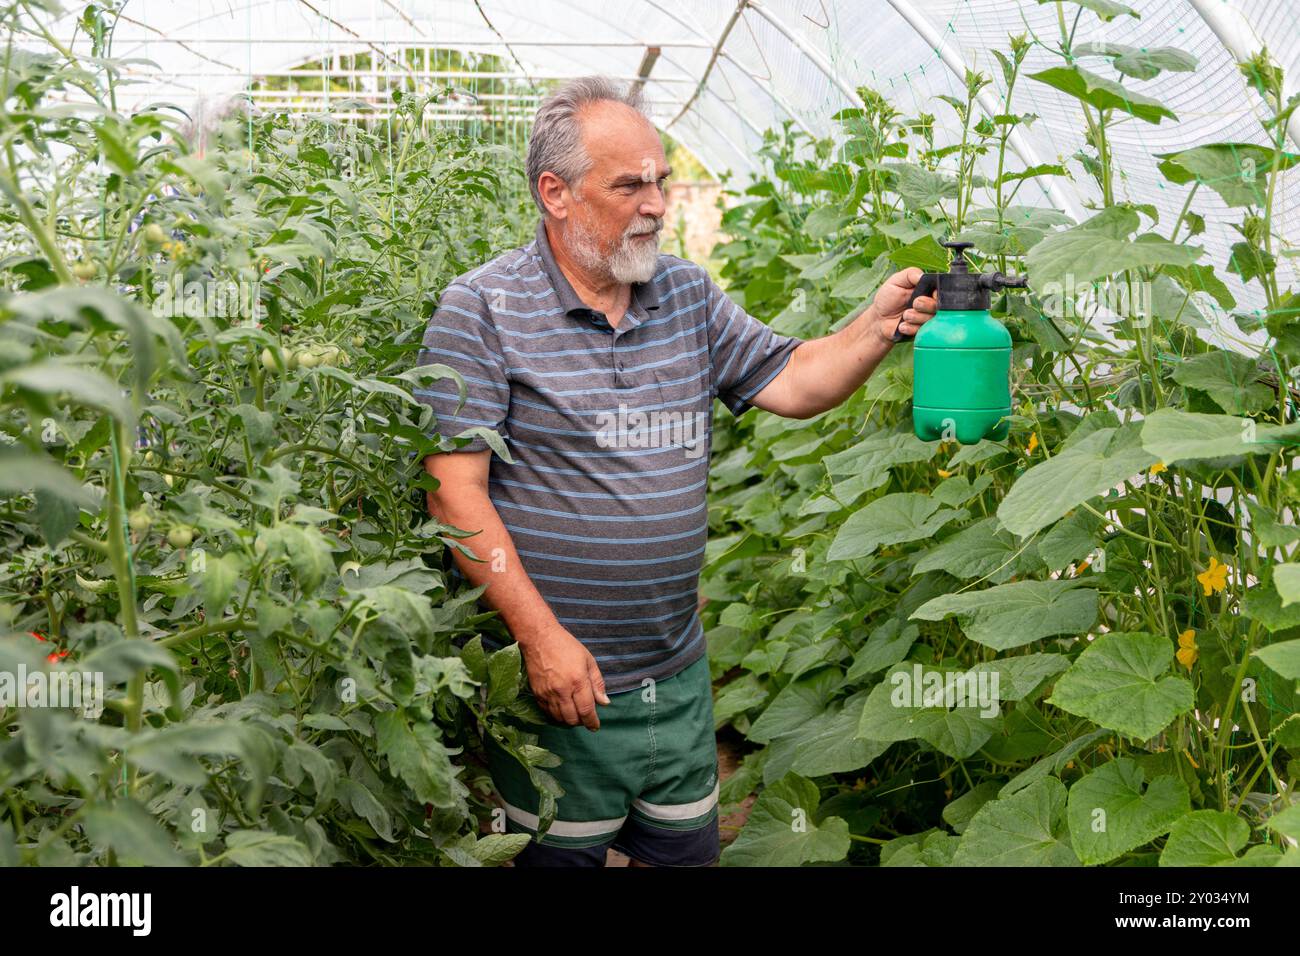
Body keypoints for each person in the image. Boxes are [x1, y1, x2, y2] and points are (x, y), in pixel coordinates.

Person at [414, 76, 936, 867]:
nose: (655, 203)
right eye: (629, 185)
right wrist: (540, 638)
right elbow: (454, 491)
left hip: (677, 676)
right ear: (554, 193)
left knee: (683, 855)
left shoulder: (685, 294)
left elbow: (794, 380)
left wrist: (873, 325)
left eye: (658, 179)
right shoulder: (482, 308)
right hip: (561, 684)